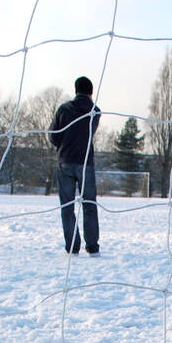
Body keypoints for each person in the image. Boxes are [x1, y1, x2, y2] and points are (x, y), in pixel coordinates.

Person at [49, 76, 101, 254]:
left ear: (75, 90)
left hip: (65, 161)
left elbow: (53, 136)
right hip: (86, 162)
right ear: (91, 92)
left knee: (67, 206)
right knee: (89, 204)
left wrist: (64, 145)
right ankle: (92, 245)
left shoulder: (63, 109)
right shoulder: (95, 111)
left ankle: (72, 245)